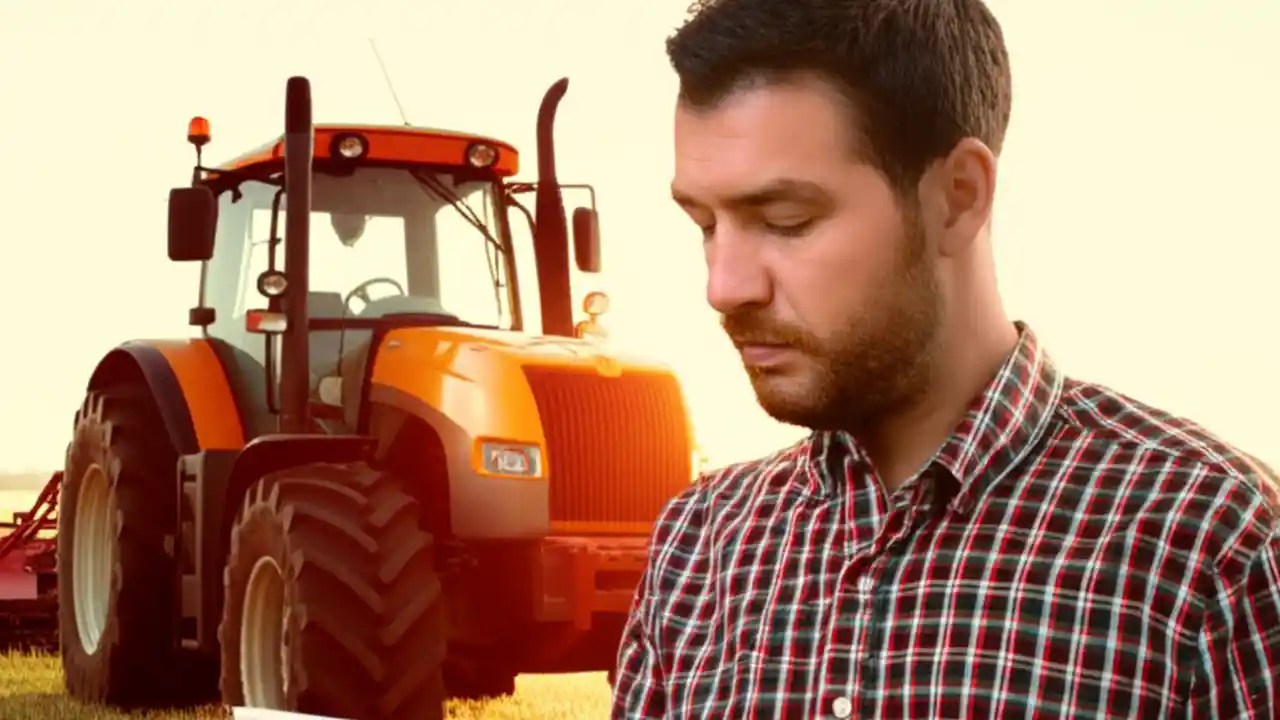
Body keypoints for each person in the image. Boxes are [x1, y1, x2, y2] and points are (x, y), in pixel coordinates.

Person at [611, 0, 1280, 717]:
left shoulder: (1215, 544)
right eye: (705, 225)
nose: (724, 286)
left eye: (786, 222)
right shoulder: (700, 542)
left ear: (958, 198)